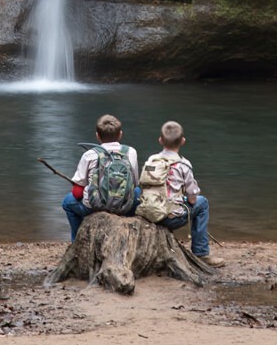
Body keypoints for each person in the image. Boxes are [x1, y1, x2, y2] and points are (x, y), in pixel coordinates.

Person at [142, 120, 225, 267]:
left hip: (148, 213)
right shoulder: (184, 164)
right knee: (203, 203)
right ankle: (201, 253)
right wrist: (185, 198)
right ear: (183, 141)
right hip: (169, 217)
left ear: (160, 140)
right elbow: (192, 198)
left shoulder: (151, 160)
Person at [62, 113, 139, 242]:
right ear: (120, 134)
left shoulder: (89, 154)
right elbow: (135, 182)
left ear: (97, 136)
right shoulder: (131, 152)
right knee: (138, 192)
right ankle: (127, 230)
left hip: (95, 206)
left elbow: (77, 191)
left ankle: (77, 241)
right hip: (125, 204)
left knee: (67, 203)